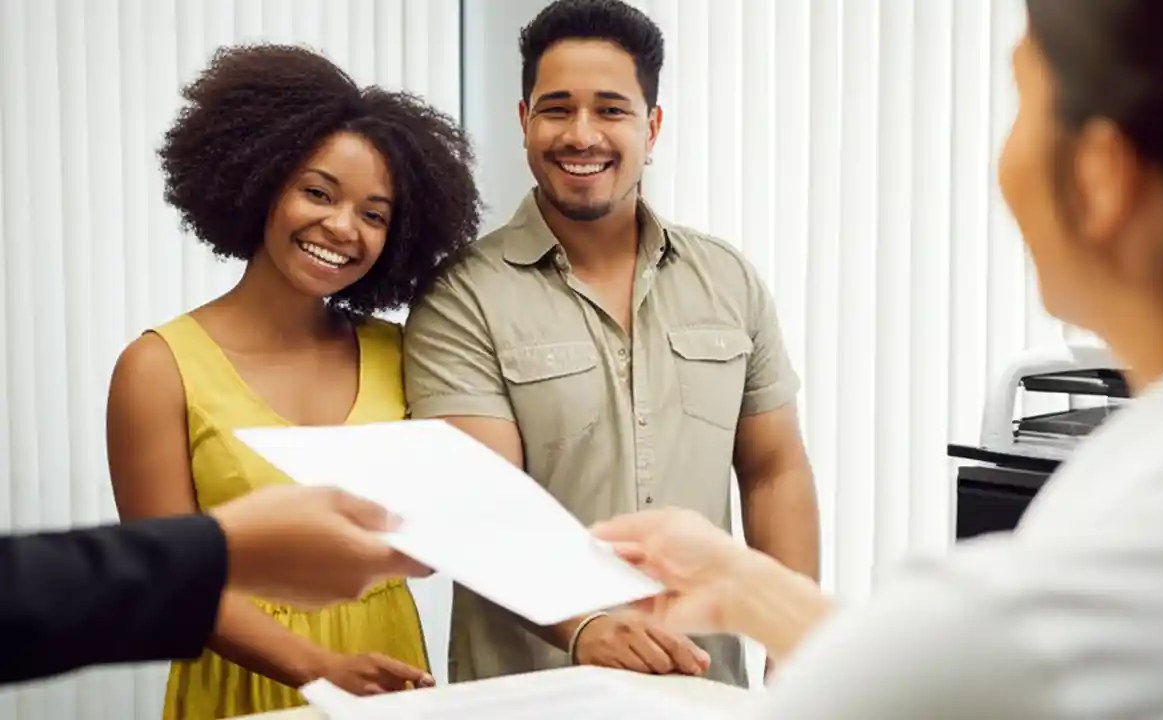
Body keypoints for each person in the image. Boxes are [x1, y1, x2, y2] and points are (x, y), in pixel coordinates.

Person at [595, 1, 1163, 717]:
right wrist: (751, 589)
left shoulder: (1017, 620)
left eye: (1021, 101)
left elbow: (984, 665)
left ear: (1099, 178)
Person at [403, 0, 818, 687]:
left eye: (611, 109)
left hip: (702, 690)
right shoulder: (462, 297)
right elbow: (483, 504)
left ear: (651, 128)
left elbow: (775, 470)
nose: (582, 134)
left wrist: (794, 633)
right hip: (531, 692)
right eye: (557, 109)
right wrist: (585, 626)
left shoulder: (728, 280)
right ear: (524, 121)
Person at [105, 44, 480, 718]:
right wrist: (316, 668)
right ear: (261, 181)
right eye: (318, 192)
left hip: (388, 670)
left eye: (374, 214)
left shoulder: (402, 354)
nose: (341, 227)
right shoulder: (158, 368)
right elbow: (169, 578)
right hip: (245, 685)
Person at [2, 485, 429, 685]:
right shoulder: (162, 364)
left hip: (392, 658)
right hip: (245, 674)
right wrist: (225, 548)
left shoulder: (403, 353)